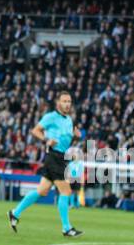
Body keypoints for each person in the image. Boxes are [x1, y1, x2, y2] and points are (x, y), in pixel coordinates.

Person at [8, 92, 82, 237]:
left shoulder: (69, 120)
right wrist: (47, 139)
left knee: (42, 191)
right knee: (66, 191)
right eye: (65, 101)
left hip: (60, 157)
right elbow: (35, 130)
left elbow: (65, 142)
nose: (67, 104)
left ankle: (14, 213)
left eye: (69, 101)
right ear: (58, 103)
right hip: (53, 157)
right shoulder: (50, 117)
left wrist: (75, 138)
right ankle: (66, 228)